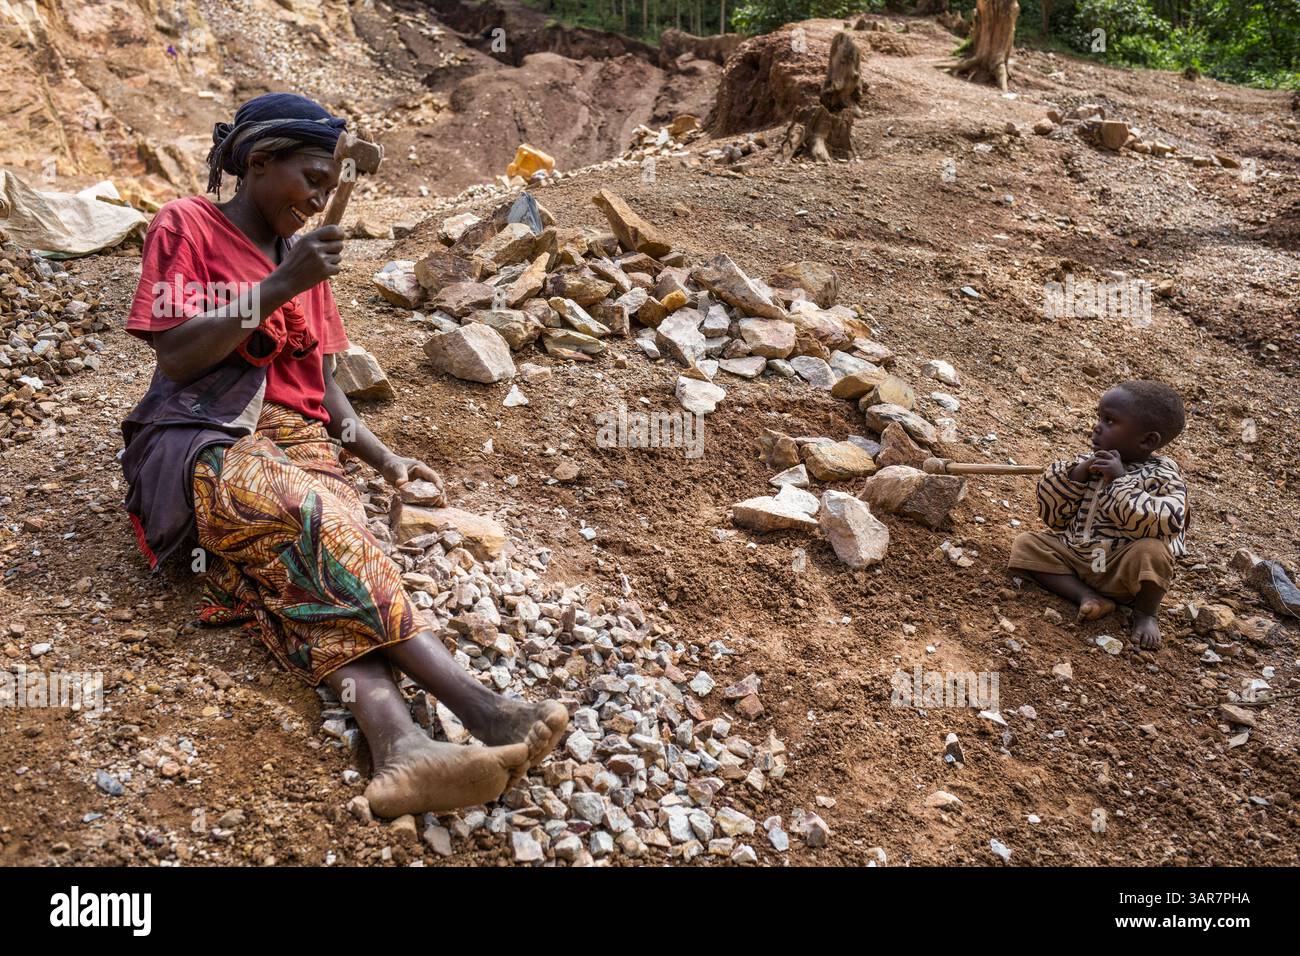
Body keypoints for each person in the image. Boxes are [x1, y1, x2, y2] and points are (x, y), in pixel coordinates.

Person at [119, 92, 567, 818]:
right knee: (317, 521)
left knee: (309, 571)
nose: (321, 198)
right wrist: (276, 287)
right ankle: (481, 707)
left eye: (330, 186)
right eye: (311, 179)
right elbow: (175, 356)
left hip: (300, 445)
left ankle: (401, 749)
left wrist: (388, 460)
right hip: (204, 436)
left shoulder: (305, 260)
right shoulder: (188, 225)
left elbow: (328, 396)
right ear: (259, 163)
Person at [1007, 380, 1189, 650]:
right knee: (1026, 544)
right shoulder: (1089, 461)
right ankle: (1088, 596)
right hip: (1077, 558)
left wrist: (1119, 481)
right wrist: (1076, 474)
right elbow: (1053, 516)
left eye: (1110, 421)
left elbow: (1165, 522)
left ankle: (1146, 614)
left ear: (1147, 440)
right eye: (1099, 417)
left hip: (1119, 570)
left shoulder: (1163, 477)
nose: (1098, 426)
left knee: (1154, 552)